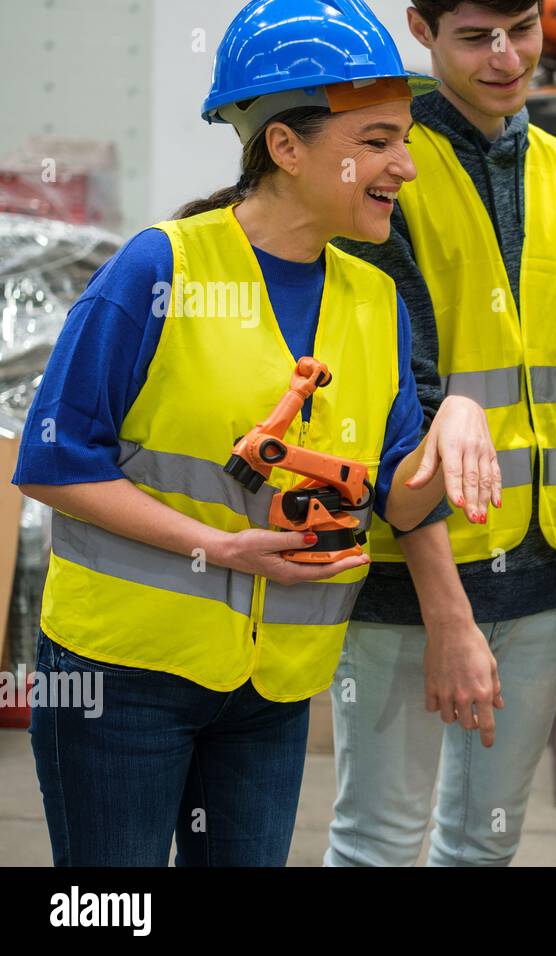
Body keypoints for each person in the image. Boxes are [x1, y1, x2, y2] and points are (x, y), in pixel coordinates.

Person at [12, 0, 499, 867]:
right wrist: (218, 547)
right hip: (125, 675)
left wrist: (456, 415)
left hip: (275, 685)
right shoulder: (160, 269)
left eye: (406, 139)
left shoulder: (373, 298)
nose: (407, 167)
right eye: (380, 140)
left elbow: (396, 493)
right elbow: (54, 462)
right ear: (285, 145)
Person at [325, 0, 556, 868]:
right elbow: (389, 388)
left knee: (484, 843)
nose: (505, 56)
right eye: (475, 36)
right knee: (378, 841)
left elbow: (555, 361)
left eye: (524, 28)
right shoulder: (390, 163)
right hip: (410, 566)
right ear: (421, 28)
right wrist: (448, 614)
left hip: (535, 560)